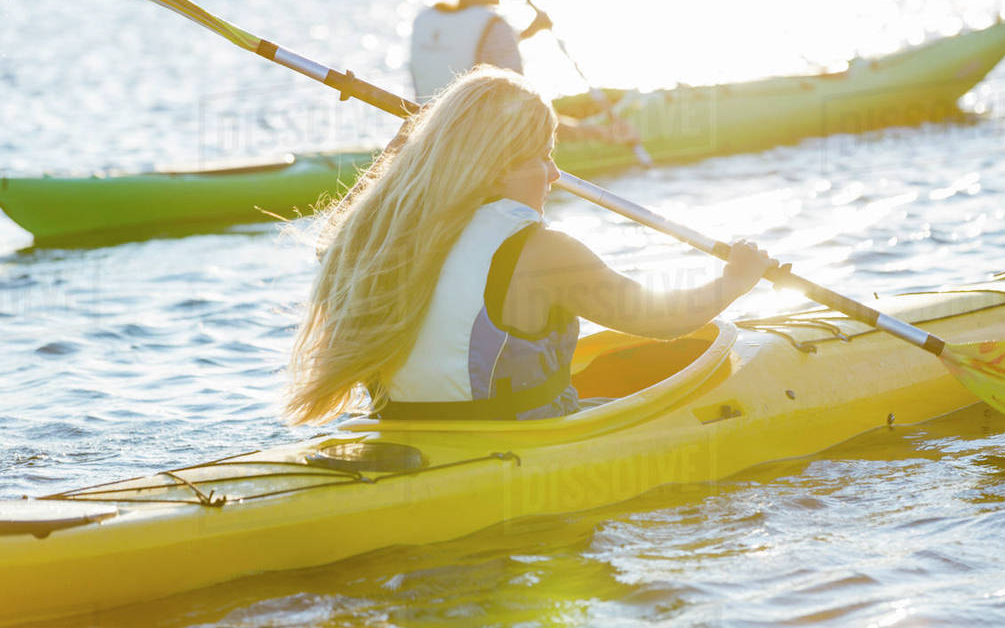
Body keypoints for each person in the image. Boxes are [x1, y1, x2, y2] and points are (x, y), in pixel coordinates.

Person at [285, 67, 771, 425]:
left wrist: (406, 146)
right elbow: (665, 321)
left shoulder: (371, 234)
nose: (555, 176)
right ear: (495, 165)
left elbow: (340, 227)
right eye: (542, 157)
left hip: (405, 436)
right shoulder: (544, 252)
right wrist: (736, 279)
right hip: (520, 443)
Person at [407, 0, 636, 145]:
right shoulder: (494, 27)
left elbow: (464, 57)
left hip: (433, 144)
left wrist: (529, 32)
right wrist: (601, 133)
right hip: (480, 154)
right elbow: (528, 116)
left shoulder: (426, 21)